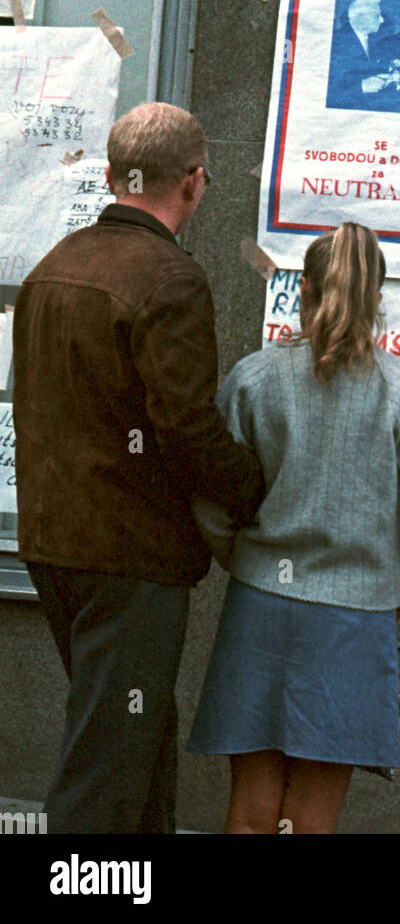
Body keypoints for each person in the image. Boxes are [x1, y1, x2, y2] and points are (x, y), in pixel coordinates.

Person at [12, 103, 266, 834]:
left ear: (110, 174)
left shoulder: (55, 267)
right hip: (130, 551)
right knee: (109, 758)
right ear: (192, 182)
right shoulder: (169, 279)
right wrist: (252, 489)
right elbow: (187, 427)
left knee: (138, 734)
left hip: (53, 541)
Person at [186, 221, 400, 834]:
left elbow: (212, 492)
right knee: (313, 818)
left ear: (301, 289)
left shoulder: (254, 378)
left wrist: (244, 559)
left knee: (252, 810)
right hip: (356, 617)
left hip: (261, 605)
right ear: (378, 299)